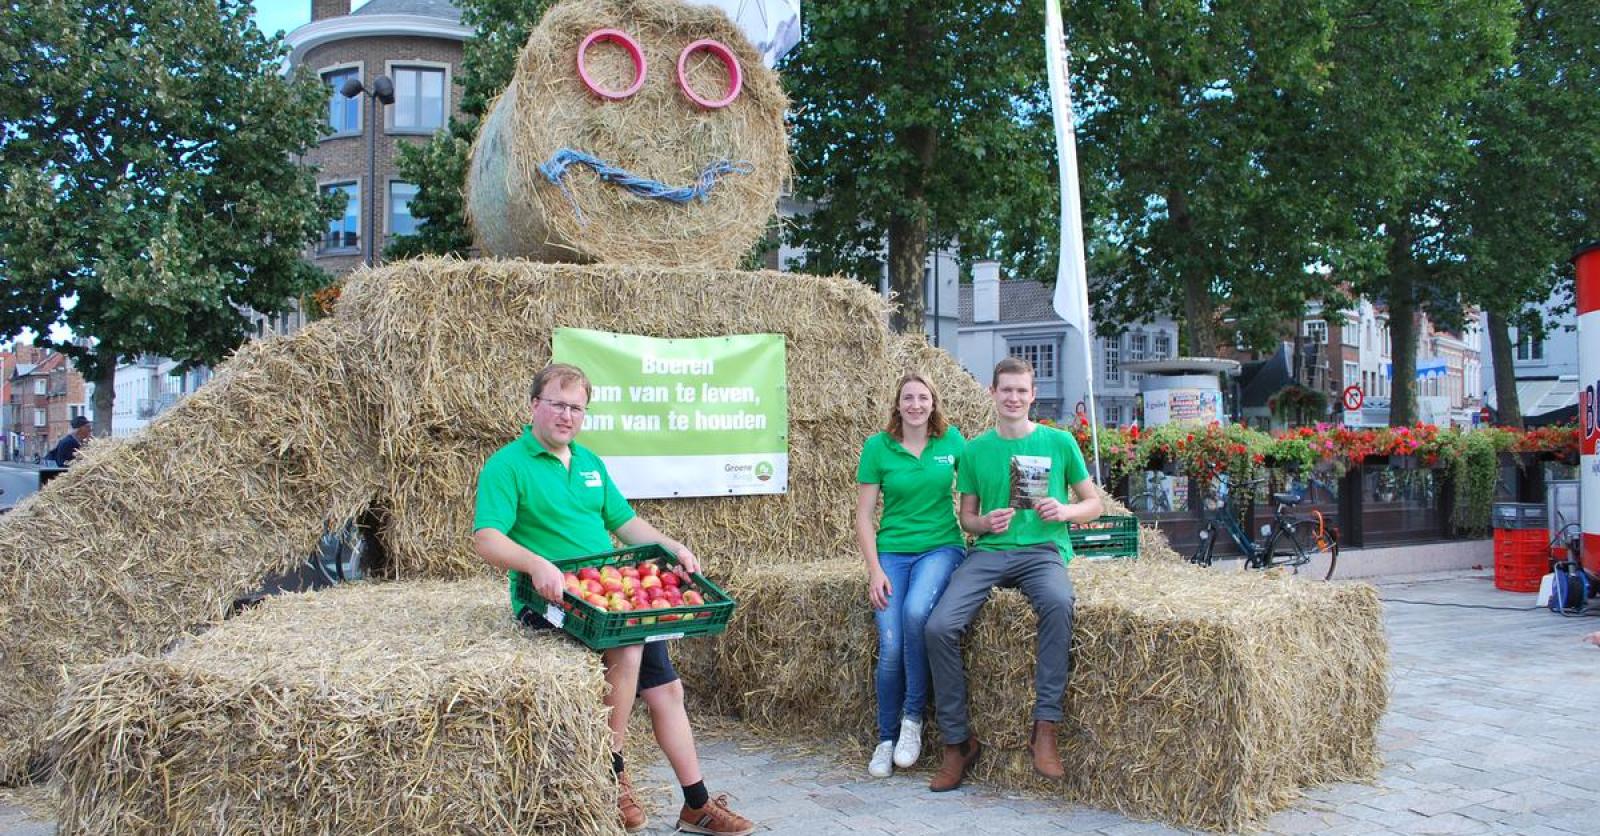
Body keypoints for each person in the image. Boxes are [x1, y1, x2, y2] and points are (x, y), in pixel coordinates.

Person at [472, 363, 755, 836]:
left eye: (576, 408)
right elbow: (487, 538)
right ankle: (611, 773)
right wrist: (536, 564)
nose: (566, 415)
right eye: (558, 404)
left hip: (607, 593)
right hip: (550, 598)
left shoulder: (588, 463)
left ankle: (697, 805)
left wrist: (672, 547)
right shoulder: (507, 465)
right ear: (533, 406)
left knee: (668, 690)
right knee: (628, 645)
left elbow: (626, 525)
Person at [922, 355, 1103, 792]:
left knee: (1059, 604)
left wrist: (1064, 510)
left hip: (1042, 549)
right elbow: (966, 517)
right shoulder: (975, 449)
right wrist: (986, 523)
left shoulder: (1059, 443)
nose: (1014, 397)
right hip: (989, 552)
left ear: (1033, 395)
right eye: (1007, 390)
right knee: (938, 627)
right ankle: (957, 742)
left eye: (1022, 391)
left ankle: (1046, 728)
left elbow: (1093, 504)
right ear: (993, 393)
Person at [855, 372, 966, 778]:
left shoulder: (952, 442)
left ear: (933, 403)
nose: (916, 405)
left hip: (941, 547)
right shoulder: (877, 447)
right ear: (897, 404)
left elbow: (978, 489)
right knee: (891, 641)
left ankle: (913, 720)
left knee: (917, 613)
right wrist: (874, 570)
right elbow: (864, 517)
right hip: (893, 554)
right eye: (908, 398)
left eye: (923, 398)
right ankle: (886, 737)